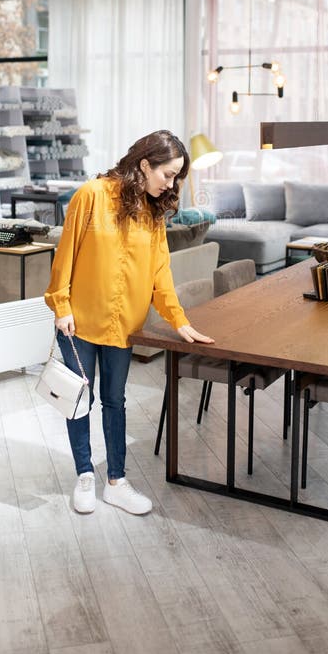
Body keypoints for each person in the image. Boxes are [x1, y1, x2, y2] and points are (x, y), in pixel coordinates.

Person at [44, 130, 213, 515]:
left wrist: (178, 320)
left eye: (175, 177)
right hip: (80, 321)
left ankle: (116, 482)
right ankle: (85, 474)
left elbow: (160, 273)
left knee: (114, 401)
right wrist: (61, 306)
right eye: (167, 174)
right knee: (78, 399)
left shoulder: (154, 213)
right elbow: (65, 253)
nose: (170, 184)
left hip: (123, 325)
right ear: (144, 164)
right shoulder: (91, 194)